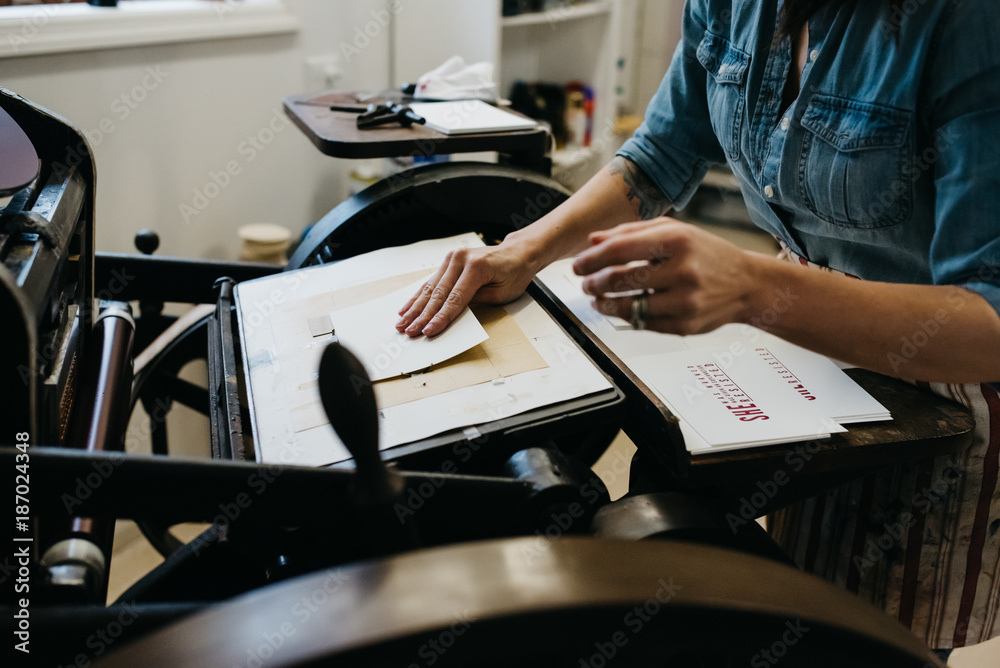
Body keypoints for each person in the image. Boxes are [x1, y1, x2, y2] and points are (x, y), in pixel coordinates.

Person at [396, 0, 1000, 654]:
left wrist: (755, 287)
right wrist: (524, 248)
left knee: (873, 639)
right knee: (792, 596)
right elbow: (660, 152)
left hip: (941, 382)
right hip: (807, 351)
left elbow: (990, 323)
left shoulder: (969, 22)